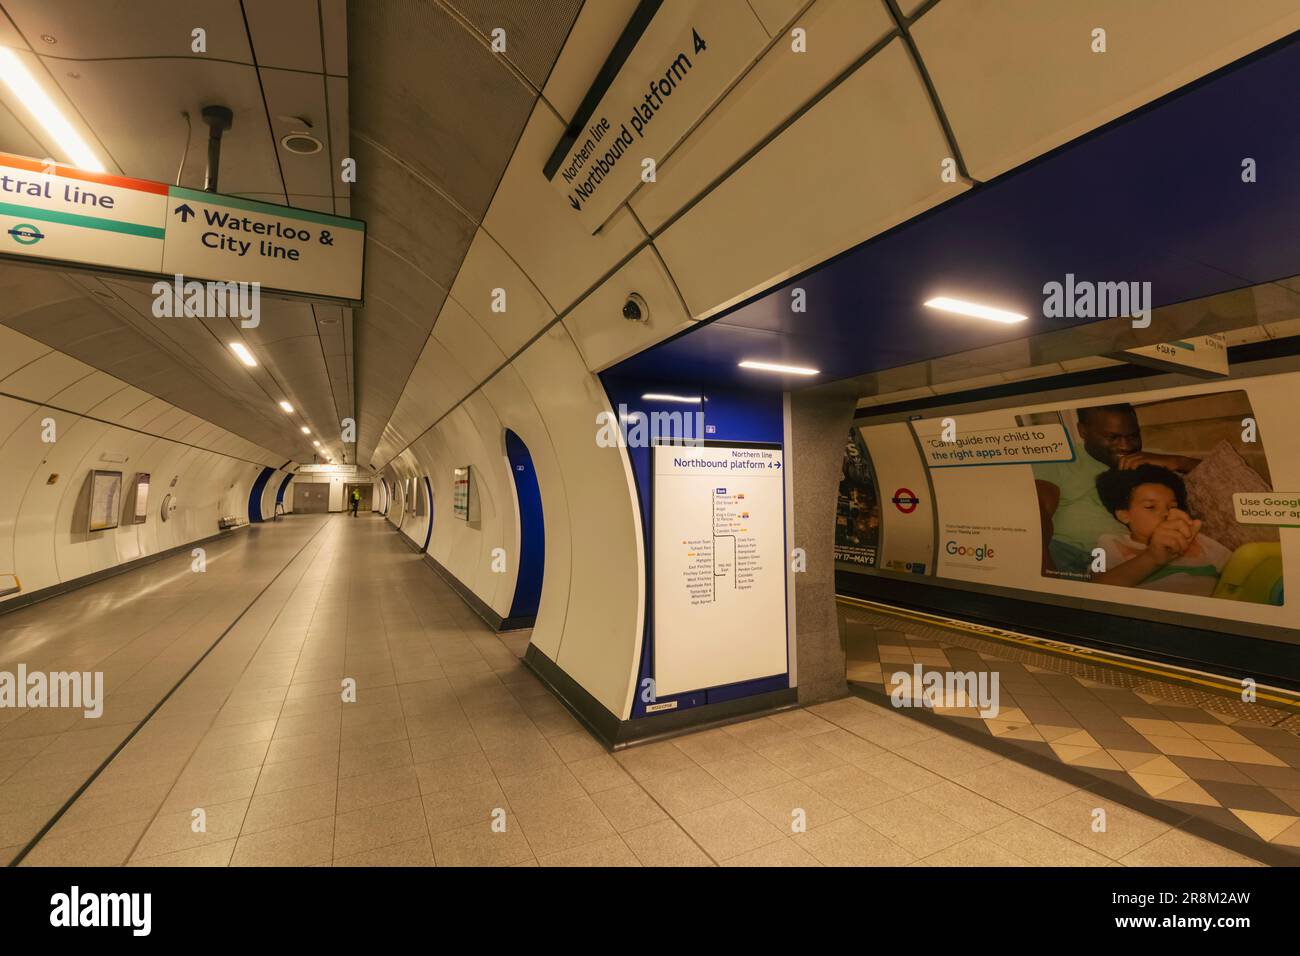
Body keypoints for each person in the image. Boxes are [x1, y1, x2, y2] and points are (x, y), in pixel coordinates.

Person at [1034, 403, 1200, 576]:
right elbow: (1036, 514)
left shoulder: (1151, 459)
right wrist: (1047, 574)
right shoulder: (1061, 460)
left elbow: (1225, 476)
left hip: (1139, 559)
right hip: (1072, 559)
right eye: (1113, 437)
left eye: (1133, 436)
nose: (1126, 446)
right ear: (1083, 431)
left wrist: (1180, 462)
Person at [1091, 464, 1230, 595]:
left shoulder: (1197, 540)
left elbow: (1237, 570)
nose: (1165, 513)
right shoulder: (1112, 543)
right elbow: (1097, 588)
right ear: (1124, 515)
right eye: (1151, 507)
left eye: (1172, 507)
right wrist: (1152, 557)